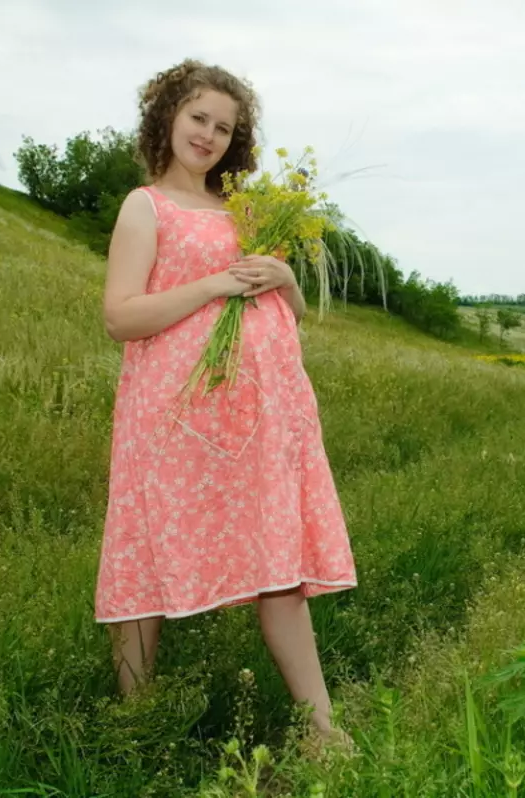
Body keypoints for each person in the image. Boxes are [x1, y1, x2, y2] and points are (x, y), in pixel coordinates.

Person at [94, 58, 358, 752]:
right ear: (168, 118)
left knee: (280, 563)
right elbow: (121, 317)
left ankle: (324, 730)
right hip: (173, 417)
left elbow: (289, 315)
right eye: (198, 118)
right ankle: (138, 726)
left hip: (257, 421)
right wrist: (214, 285)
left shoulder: (248, 212)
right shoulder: (144, 206)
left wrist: (284, 278)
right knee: (146, 552)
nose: (208, 135)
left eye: (224, 127)